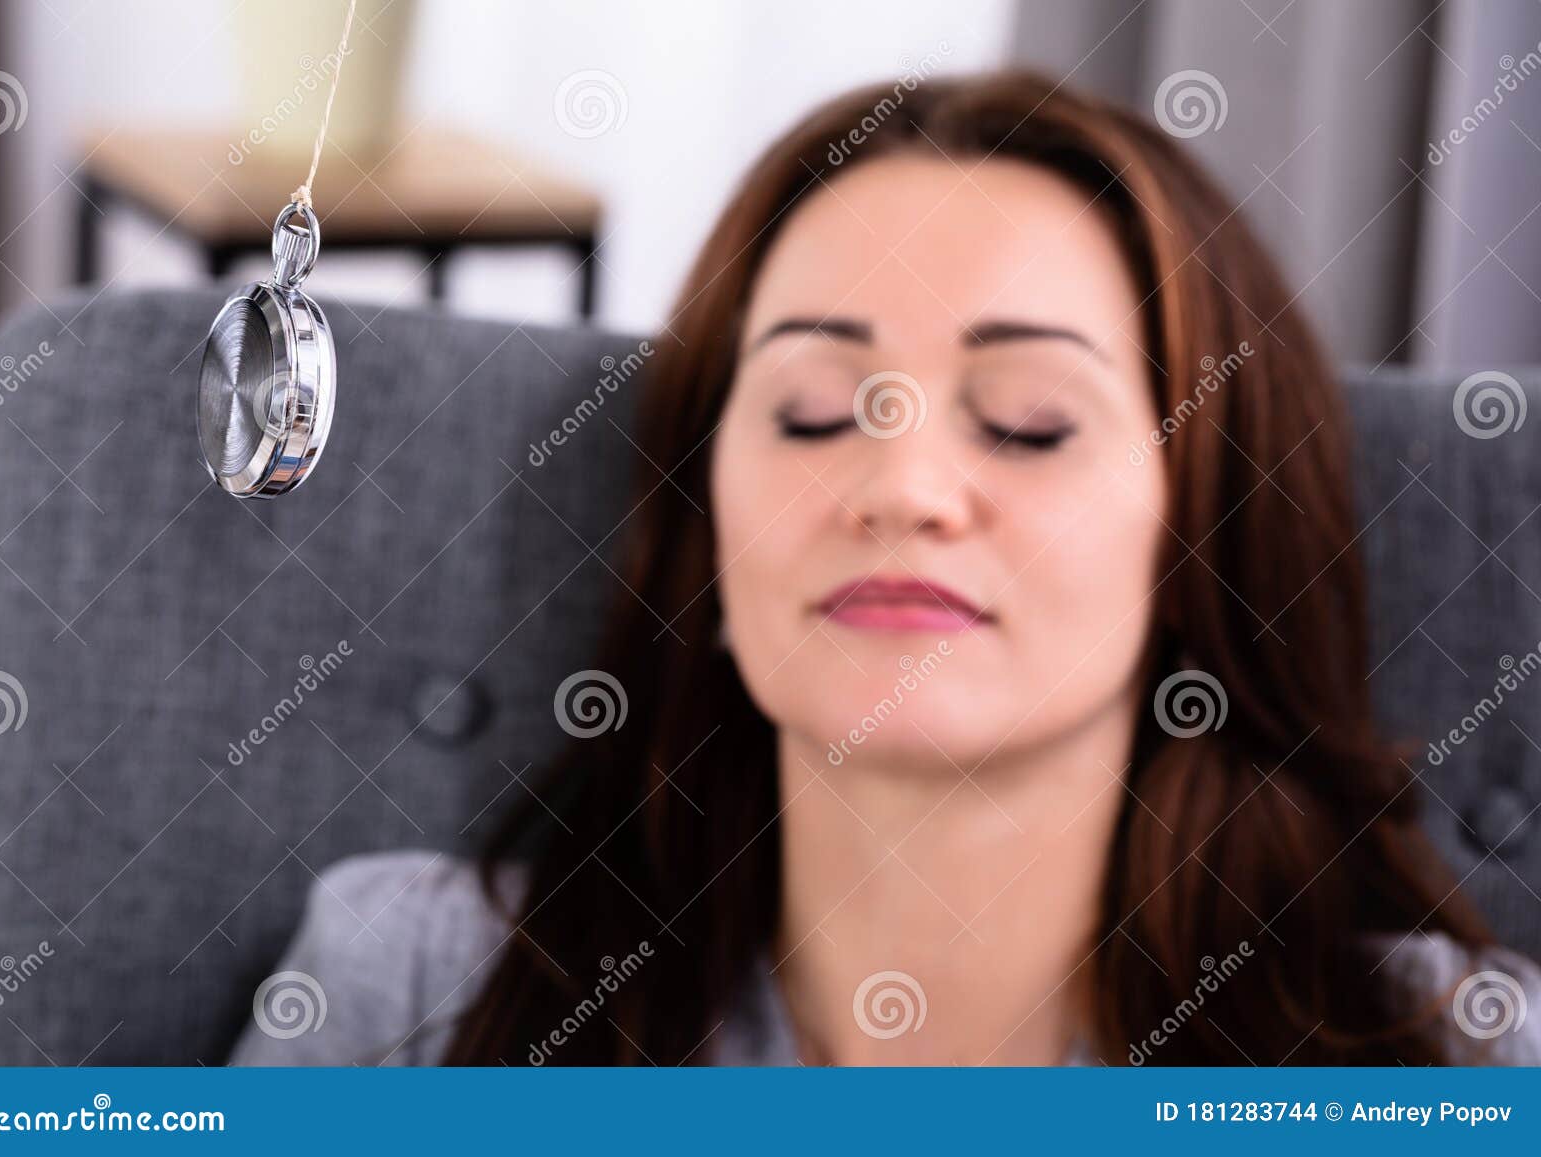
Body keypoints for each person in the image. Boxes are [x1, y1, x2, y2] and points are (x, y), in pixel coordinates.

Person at [230, 71, 1541, 1067]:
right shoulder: (410, 987)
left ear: (1204, 533)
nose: (903, 489)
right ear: (705, 520)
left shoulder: (1455, 1052)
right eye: (812, 410)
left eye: (1030, 420)